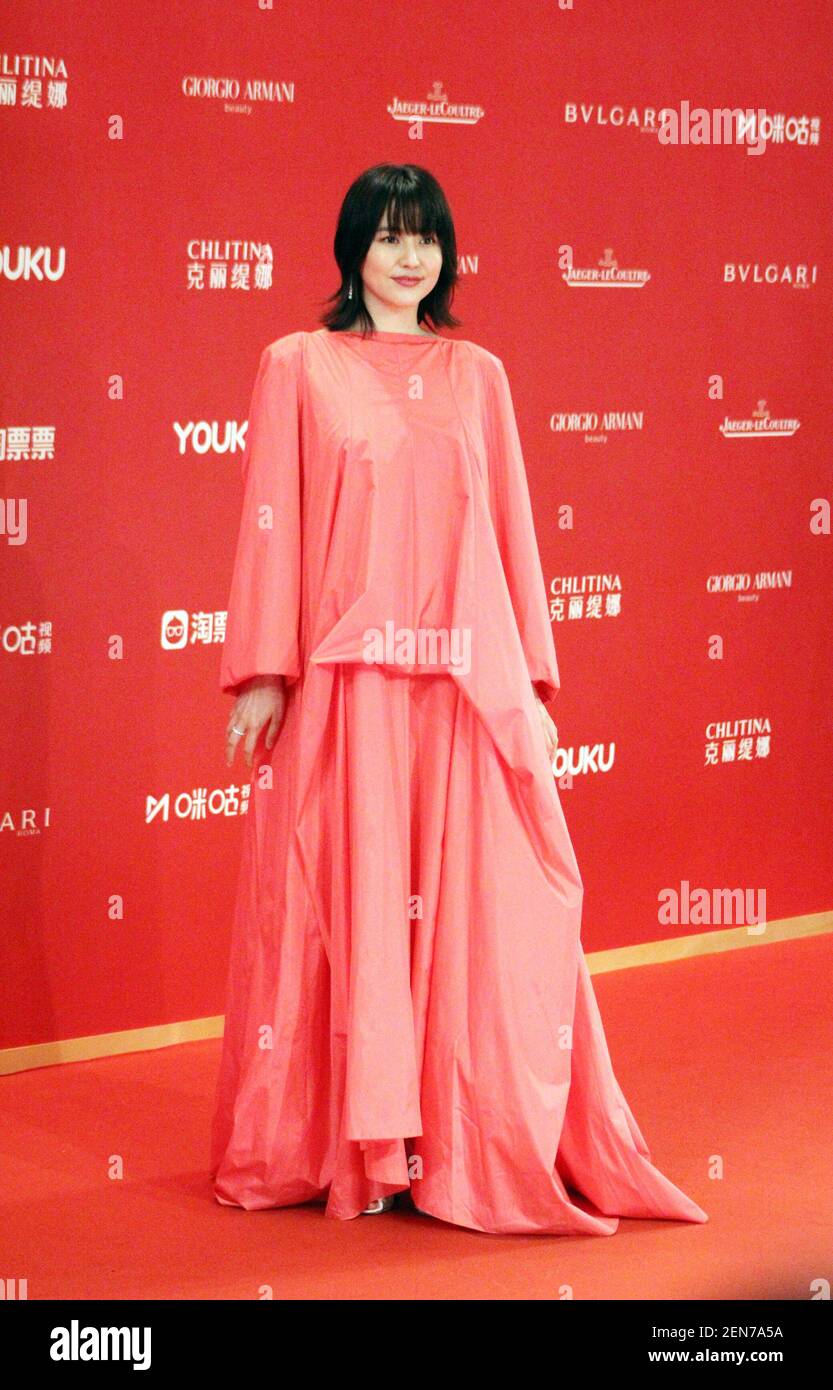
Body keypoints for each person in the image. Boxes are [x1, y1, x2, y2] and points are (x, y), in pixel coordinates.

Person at [210, 163, 708, 1236]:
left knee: (493, 911)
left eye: (424, 238)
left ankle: (460, 1137)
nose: (406, 256)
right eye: (387, 236)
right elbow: (273, 519)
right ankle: (359, 1143)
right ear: (350, 247)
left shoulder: (478, 373)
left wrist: (528, 677)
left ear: (444, 253)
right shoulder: (299, 366)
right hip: (350, 695)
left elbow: (509, 533)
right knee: (343, 907)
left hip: (461, 689)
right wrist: (261, 669)